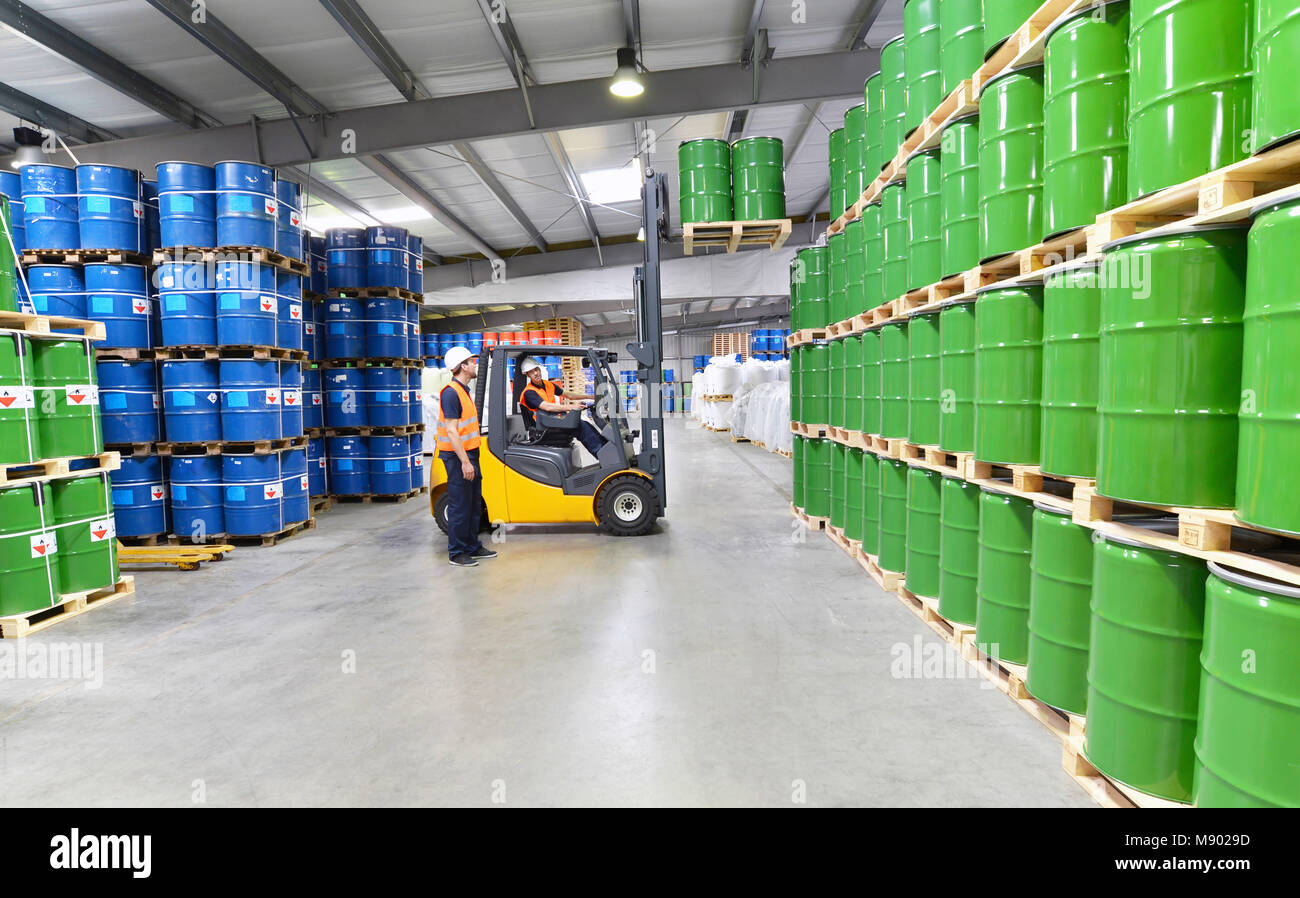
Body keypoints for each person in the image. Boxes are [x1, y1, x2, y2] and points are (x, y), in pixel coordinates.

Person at [436, 346, 497, 568]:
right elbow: (452, 431)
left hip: (471, 452)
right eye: (472, 361)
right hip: (457, 456)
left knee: (473, 504)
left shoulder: (464, 391)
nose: (475, 365)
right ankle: (457, 552)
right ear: (463, 366)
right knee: (460, 505)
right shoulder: (451, 393)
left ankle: (472, 546)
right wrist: (464, 462)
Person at [518, 359, 607, 459]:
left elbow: (568, 395)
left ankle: (605, 449)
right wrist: (572, 407)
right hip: (542, 429)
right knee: (580, 427)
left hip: (550, 421)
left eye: (536, 369)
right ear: (527, 375)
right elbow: (547, 406)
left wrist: (588, 396)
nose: (535, 373)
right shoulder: (529, 392)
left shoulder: (548, 385)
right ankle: (604, 456)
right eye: (531, 372)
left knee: (585, 424)